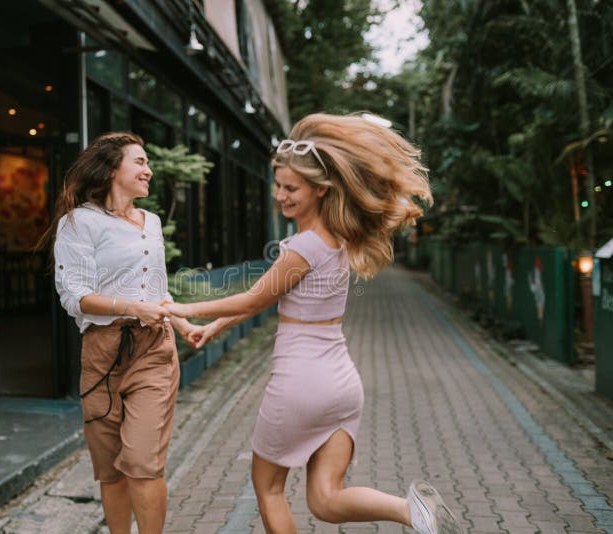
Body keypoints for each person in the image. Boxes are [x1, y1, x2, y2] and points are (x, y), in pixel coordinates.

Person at [164, 113, 465, 533]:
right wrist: (216, 327)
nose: (281, 196)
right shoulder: (336, 240)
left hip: (300, 384)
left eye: (291, 188)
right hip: (341, 385)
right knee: (326, 498)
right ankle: (411, 510)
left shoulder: (304, 246)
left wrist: (181, 309)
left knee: (268, 489)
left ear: (320, 190)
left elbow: (255, 296)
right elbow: (274, 303)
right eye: (279, 185)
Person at [39, 132, 203, 534]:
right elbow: (73, 296)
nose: (148, 170)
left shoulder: (152, 223)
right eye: (140, 162)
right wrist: (131, 307)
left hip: (153, 349)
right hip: (102, 352)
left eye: (148, 163)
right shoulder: (79, 223)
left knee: (143, 463)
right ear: (113, 170)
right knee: (111, 470)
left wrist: (181, 324)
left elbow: (155, 289)